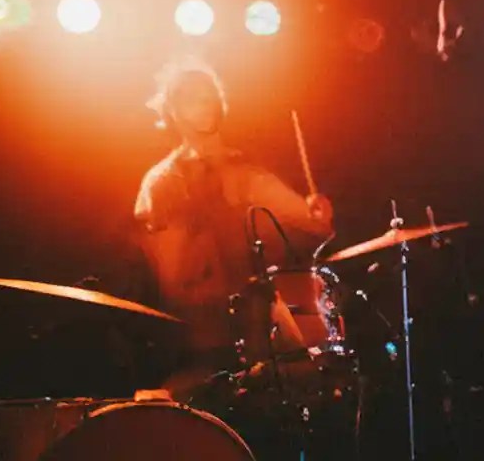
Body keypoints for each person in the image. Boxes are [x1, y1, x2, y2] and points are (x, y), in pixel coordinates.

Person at [131, 57, 339, 457]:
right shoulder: (160, 181)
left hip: (259, 325)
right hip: (195, 330)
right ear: (173, 108)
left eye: (211, 98)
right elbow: (157, 266)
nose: (205, 106)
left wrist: (317, 216)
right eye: (194, 99)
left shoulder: (244, 173)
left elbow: (312, 226)